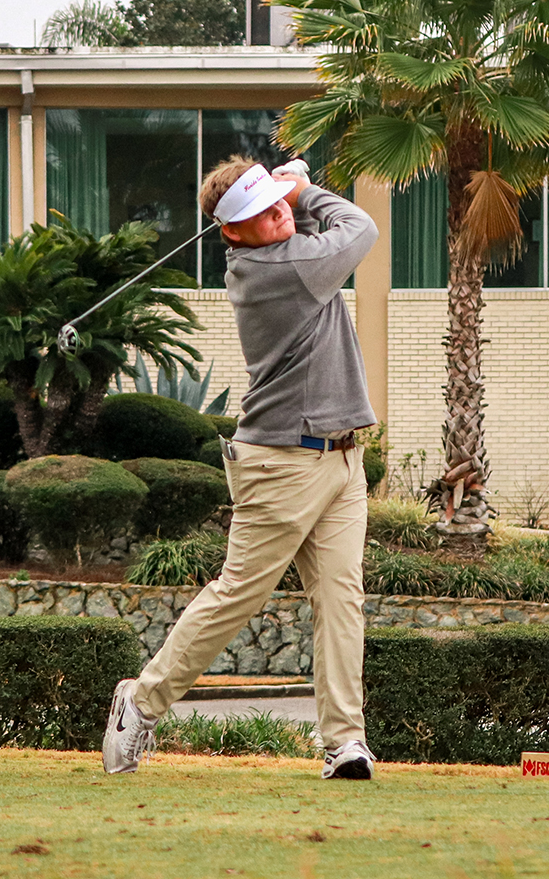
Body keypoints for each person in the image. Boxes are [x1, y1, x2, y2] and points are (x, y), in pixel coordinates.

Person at [103, 156, 380, 781]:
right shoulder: (275, 270)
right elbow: (361, 227)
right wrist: (304, 187)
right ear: (232, 233)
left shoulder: (290, 251)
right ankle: (140, 701)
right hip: (281, 462)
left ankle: (345, 741)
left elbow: (321, 227)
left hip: (342, 457)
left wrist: (286, 195)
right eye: (259, 213)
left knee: (340, 600)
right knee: (239, 595)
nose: (278, 213)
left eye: (277, 203)